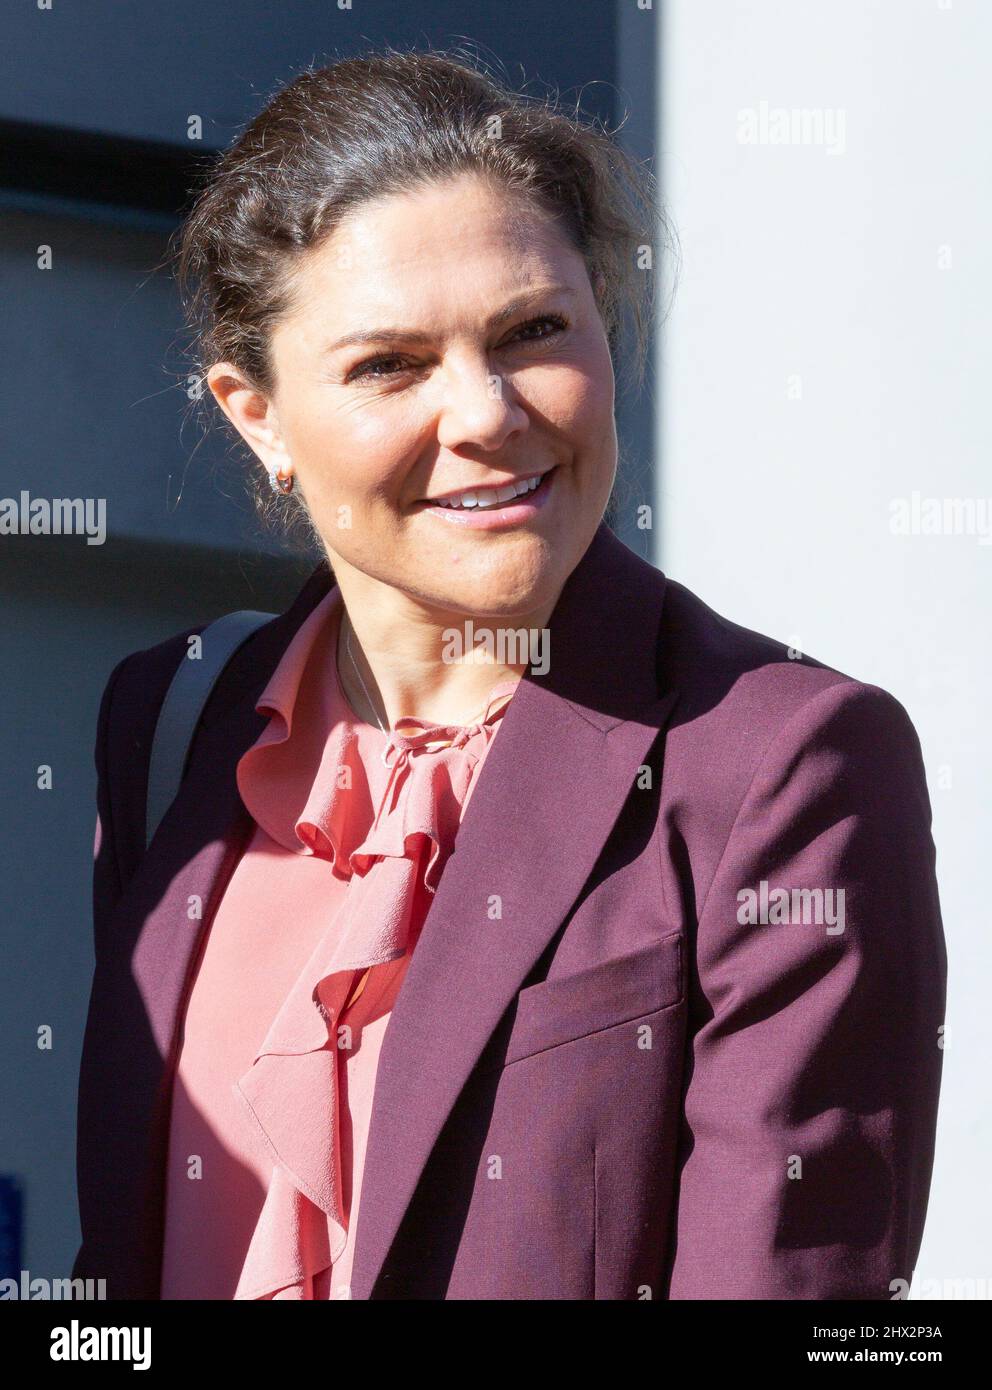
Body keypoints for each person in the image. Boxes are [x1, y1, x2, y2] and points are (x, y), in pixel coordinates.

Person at [72, 48, 946, 1300]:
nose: (484, 411)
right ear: (254, 414)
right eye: (390, 364)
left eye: (532, 330)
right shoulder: (165, 728)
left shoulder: (782, 764)